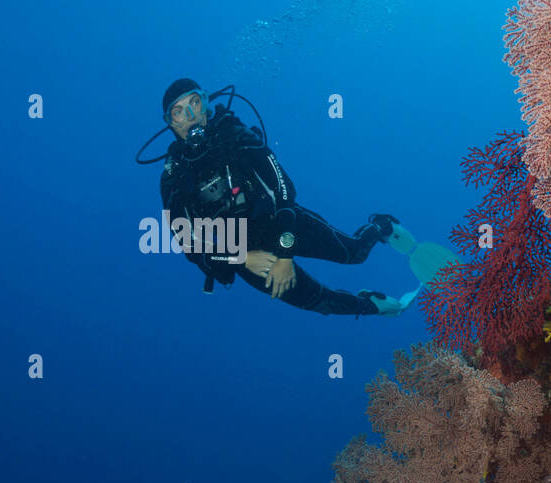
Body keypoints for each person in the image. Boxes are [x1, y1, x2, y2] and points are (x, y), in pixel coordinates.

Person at [157, 78, 415, 316]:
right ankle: (373, 304)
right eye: (178, 112)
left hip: (282, 221)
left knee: (355, 253)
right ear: (171, 123)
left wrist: (285, 254)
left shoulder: (237, 137)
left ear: (205, 103)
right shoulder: (174, 178)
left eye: (194, 102)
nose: (190, 116)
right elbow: (190, 244)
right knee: (319, 301)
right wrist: (243, 257)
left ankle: (382, 225)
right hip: (244, 254)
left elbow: (283, 193)